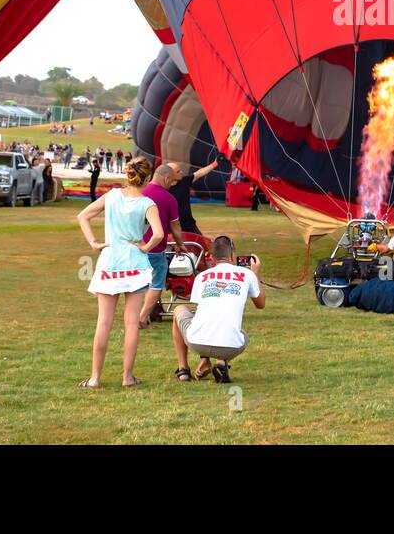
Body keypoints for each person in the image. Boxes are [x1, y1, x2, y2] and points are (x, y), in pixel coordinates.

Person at [76, 157, 163, 388]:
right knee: (131, 323)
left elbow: (83, 216)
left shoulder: (112, 196)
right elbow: (159, 234)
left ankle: (95, 378)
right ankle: (127, 377)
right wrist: (145, 247)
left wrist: (94, 242)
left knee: (103, 322)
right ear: (146, 178)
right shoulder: (147, 204)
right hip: (135, 264)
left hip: (110, 262)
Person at [172, 236, 263, 384]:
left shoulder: (202, 277)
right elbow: (260, 304)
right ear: (232, 254)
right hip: (232, 346)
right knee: (241, 333)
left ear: (212, 257)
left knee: (180, 310)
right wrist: (256, 274)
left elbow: (201, 310)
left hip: (197, 342)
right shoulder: (247, 274)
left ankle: (183, 369)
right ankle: (221, 362)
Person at [139, 163, 188, 327]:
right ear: (166, 178)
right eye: (172, 181)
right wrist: (180, 244)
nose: (172, 185)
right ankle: (141, 318)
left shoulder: (139, 193)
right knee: (156, 284)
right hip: (155, 249)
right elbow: (175, 226)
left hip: (135, 247)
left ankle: (141, 315)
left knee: (138, 284)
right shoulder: (168, 198)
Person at [166, 157, 219, 235]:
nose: (181, 172)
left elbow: (199, 173)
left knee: (202, 245)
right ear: (170, 175)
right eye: (178, 171)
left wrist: (215, 164)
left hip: (190, 226)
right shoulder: (163, 188)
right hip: (172, 229)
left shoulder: (184, 181)